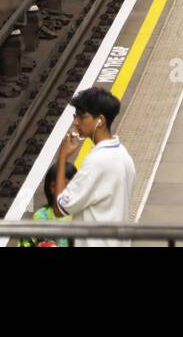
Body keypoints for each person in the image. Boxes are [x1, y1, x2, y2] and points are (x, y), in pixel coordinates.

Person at [54, 86, 136, 246]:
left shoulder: (96, 162)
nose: (76, 122)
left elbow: (60, 207)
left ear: (100, 120)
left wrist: (62, 158)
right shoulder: (124, 155)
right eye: (75, 116)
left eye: (81, 116)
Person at [19, 162, 75, 247]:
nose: (60, 191)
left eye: (66, 185)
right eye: (55, 186)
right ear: (48, 188)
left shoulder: (87, 212)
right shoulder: (41, 216)